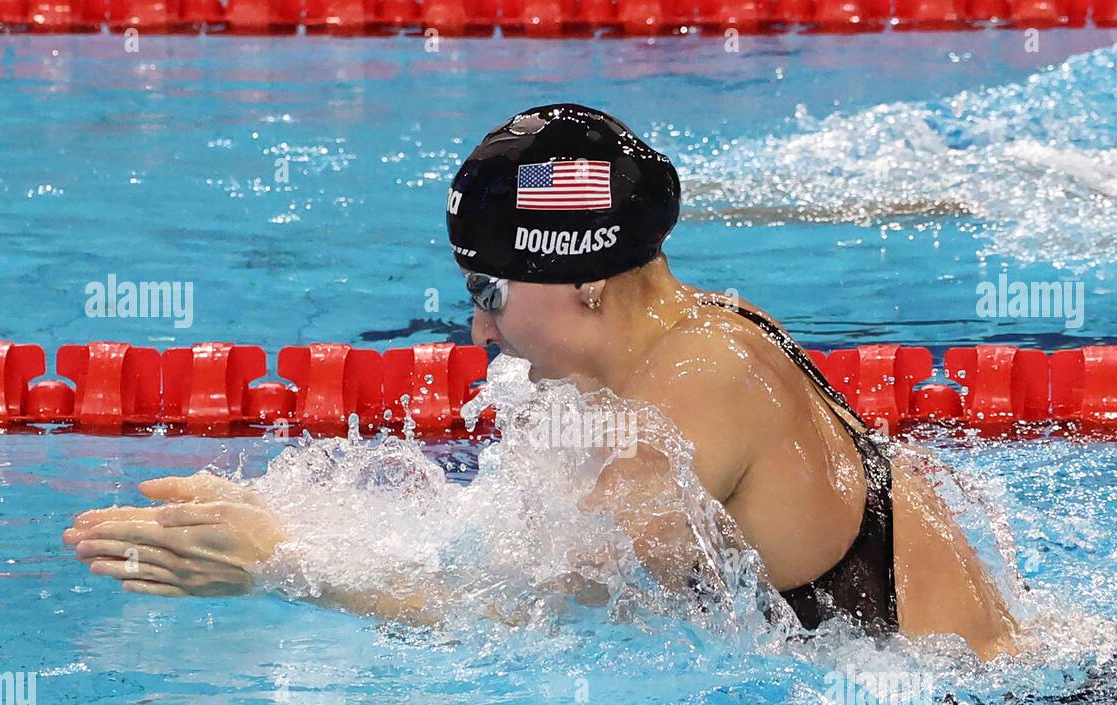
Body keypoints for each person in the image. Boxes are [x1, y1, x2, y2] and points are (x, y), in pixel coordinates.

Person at [64, 103, 1018, 661]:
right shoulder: (677, 344)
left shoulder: (705, 378)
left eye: (489, 289)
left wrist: (280, 566)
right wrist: (288, 520)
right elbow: (513, 551)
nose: (479, 328)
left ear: (584, 280)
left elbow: (532, 613)